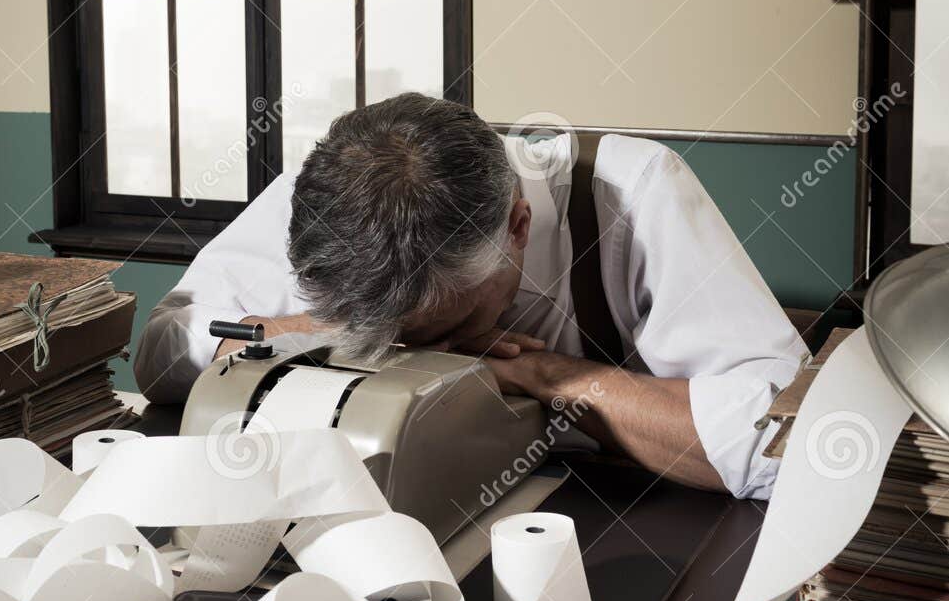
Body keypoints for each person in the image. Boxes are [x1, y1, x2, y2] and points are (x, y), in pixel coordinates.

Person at [135, 93, 805, 498]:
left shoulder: (637, 193)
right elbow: (163, 354)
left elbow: (785, 447)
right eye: (374, 327)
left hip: (607, 520)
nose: (404, 350)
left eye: (433, 331)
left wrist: (547, 374)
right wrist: (312, 327)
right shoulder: (325, 198)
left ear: (519, 227)